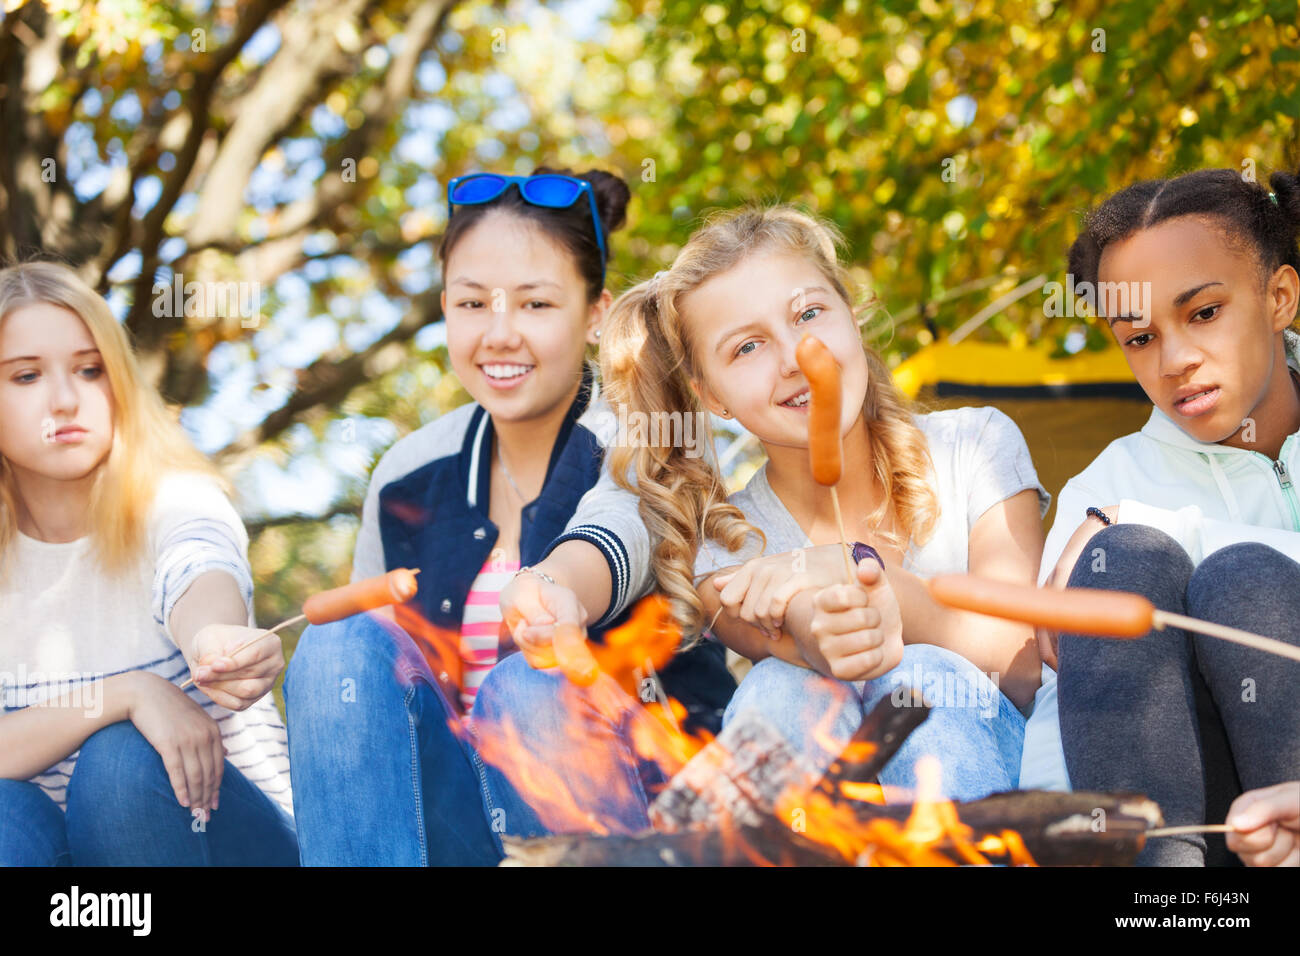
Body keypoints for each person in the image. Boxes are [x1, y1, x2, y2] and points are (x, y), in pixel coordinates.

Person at [505, 204, 1048, 808]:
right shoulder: (726, 541)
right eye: (747, 348)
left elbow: (1022, 665)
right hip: (822, 812)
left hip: (986, 786)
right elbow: (797, 645)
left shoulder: (976, 444)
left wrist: (860, 576)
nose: (794, 357)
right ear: (712, 397)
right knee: (784, 683)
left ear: (853, 316)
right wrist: (818, 625)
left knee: (919, 676)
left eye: (810, 313)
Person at [283, 167, 733, 865]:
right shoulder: (409, 471)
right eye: (471, 305)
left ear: (594, 315)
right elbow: (375, 690)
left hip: (650, 812)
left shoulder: (655, 431)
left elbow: (628, 532)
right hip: (464, 824)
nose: (498, 335)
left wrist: (557, 590)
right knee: (337, 646)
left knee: (533, 681)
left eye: (534, 305)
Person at [1035, 166, 1300, 865]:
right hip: (1205, 835)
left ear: (1279, 297)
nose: (1176, 360)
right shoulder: (1103, 493)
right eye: (1139, 338)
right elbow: (1062, 725)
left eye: (1204, 312)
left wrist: (1177, 526)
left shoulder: (1115, 509)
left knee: (1245, 578)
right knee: (1122, 561)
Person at [0, 261, 296, 866]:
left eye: (91, 370)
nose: (64, 399)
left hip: (231, 842)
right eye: (26, 376)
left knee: (121, 762)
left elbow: (199, 563)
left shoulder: (174, 495)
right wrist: (130, 691)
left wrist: (215, 637)